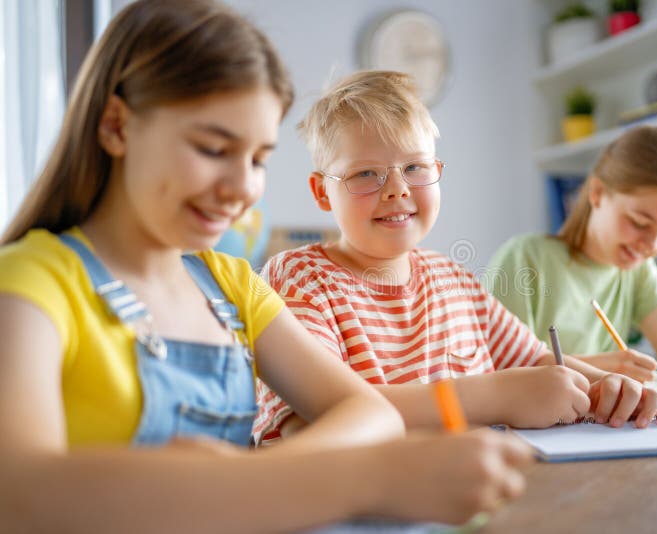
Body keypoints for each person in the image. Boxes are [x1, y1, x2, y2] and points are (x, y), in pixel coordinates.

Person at [0, 2, 536, 531]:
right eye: (213, 148)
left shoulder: (228, 285)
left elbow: (371, 412)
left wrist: (254, 478)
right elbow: (20, 492)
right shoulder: (31, 283)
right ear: (117, 126)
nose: (244, 190)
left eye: (258, 159)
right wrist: (354, 479)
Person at [255, 70, 657, 442]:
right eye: (366, 173)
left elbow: (538, 361)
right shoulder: (300, 277)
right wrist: (496, 395)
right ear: (320, 191)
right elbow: (314, 418)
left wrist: (607, 387)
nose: (398, 189)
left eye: (416, 168)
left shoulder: (453, 279)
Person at [488, 125, 657, 404]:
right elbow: (504, 363)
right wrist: (597, 370)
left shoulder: (637, 270)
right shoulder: (523, 258)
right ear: (597, 193)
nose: (652, 244)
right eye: (640, 223)